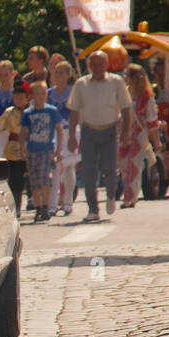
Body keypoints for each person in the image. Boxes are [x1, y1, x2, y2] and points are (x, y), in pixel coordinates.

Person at [67, 49, 135, 222]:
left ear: (106, 64)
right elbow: (74, 111)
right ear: (88, 65)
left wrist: (127, 132)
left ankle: (111, 195)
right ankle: (92, 209)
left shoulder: (116, 82)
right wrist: (72, 136)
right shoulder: (81, 84)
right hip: (88, 131)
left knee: (110, 169)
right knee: (89, 171)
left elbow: (127, 109)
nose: (96, 68)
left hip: (110, 130)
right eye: (93, 64)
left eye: (100, 64)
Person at [20, 80, 64, 222]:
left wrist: (58, 149)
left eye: (43, 93)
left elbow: (59, 129)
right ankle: (38, 207)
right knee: (34, 180)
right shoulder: (28, 113)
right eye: (37, 93)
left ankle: (46, 206)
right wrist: (22, 147)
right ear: (32, 95)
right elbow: (24, 131)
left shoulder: (51, 111)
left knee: (45, 178)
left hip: (46, 149)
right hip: (32, 149)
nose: (40, 96)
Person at [117, 64, 160, 208]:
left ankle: (129, 198)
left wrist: (157, 142)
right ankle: (130, 194)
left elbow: (152, 122)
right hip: (122, 134)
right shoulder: (123, 95)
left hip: (138, 136)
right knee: (123, 165)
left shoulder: (147, 98)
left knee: (133, 165)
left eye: (127, 76)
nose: (124, 78)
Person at [0, 83, 31, 218]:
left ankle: (38, 203)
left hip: (29, 149)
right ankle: (15, 207)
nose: (18, 100)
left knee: (29, 178)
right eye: (16, 97)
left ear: (27, 98)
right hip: (12, 149)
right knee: (14, 180)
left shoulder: (31, 111)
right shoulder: (9, 112)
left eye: (21, 97)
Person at [49, 61, 78, 216]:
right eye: (56, 72)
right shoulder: (48, 93)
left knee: (69, 167)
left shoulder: (73, 92)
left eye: (62, 72)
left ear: (68, 75)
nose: (58, 75)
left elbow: (78, 112)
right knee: (55, 168)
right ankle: (52, 204)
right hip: (54, 133)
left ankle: (68, 201)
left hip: (70, 131)